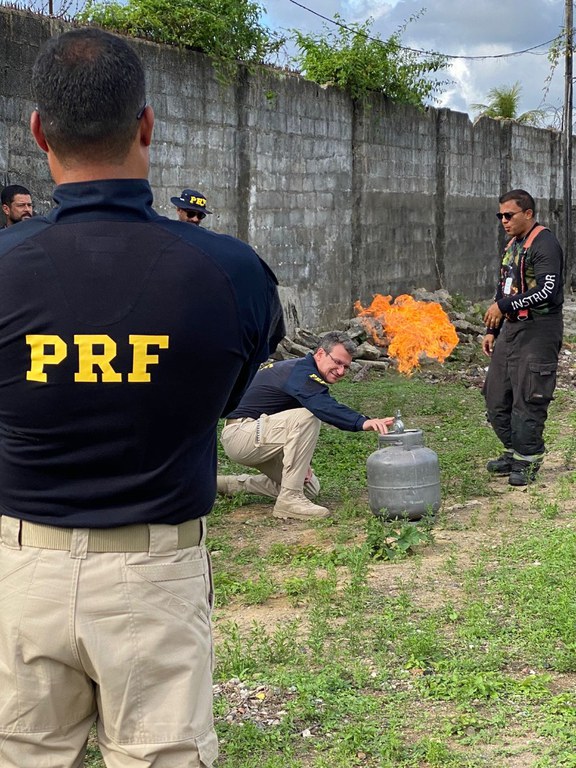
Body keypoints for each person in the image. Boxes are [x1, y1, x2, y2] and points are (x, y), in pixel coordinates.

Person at [0, 27, 283, 768]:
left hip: (22, 569)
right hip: (155, 574)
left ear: (38, 132)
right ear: (148, 125)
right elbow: (225, 396)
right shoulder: (232, 272)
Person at [217, 332, 394, 520]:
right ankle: (289, 500)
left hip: (260, 437)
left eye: (346, 367)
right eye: (337, 362)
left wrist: (299, 463)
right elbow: (322, 406)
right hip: (241, 434)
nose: (341, 371)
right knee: (308, 417)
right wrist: (362, 421)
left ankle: (227, 485)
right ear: (320, 354)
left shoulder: (299, 372)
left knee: (309, 488)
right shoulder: (301, 370)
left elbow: (282, 419)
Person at [482, 189, 563, 487]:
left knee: (529, 395)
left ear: (527, 214)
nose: (503, 220)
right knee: (495, 394)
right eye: (500, 216)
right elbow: (506, 286)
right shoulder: (513, 244)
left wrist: (503, 307)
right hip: (512, 330)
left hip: (540, 329)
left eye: (509, 215)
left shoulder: (545, 244)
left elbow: (547, 291)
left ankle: (528, 460)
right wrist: (493, 328)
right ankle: (512, 452)